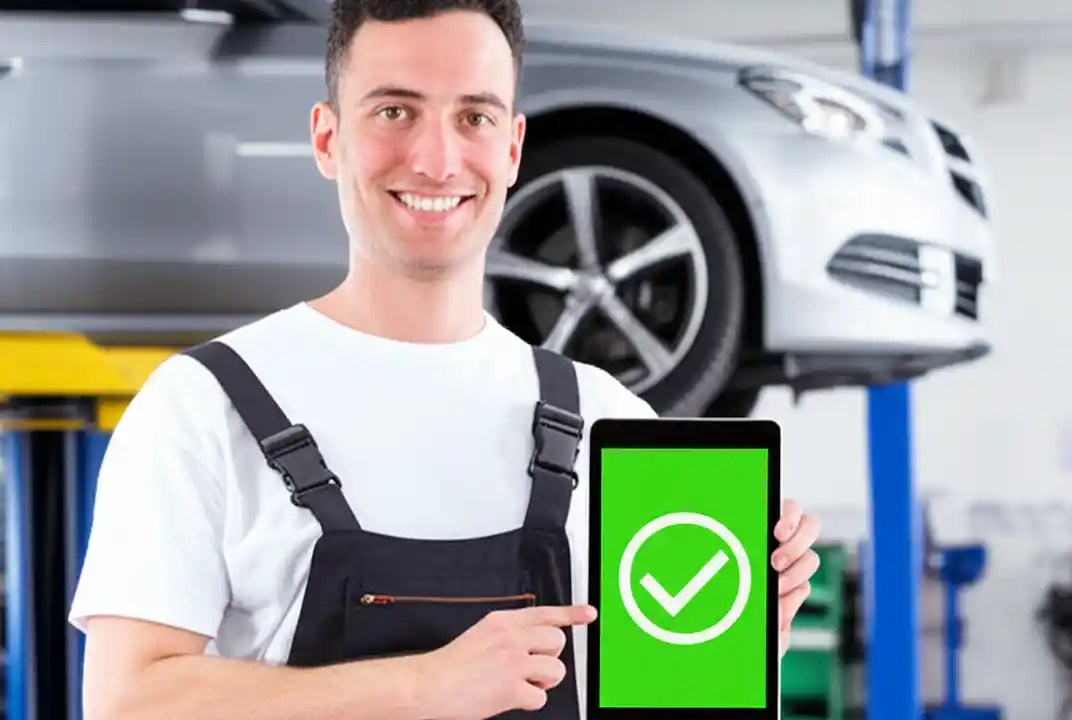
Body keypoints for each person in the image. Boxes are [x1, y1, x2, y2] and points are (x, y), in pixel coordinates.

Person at [68, 1, 823, 718]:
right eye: (395, 112)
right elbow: (127, 702)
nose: (436, 159)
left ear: (513, 147)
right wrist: (424, 688)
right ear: (328, 140)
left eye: (474, 117)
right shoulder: (203, 404)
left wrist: (739, 643)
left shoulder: (612, 425)